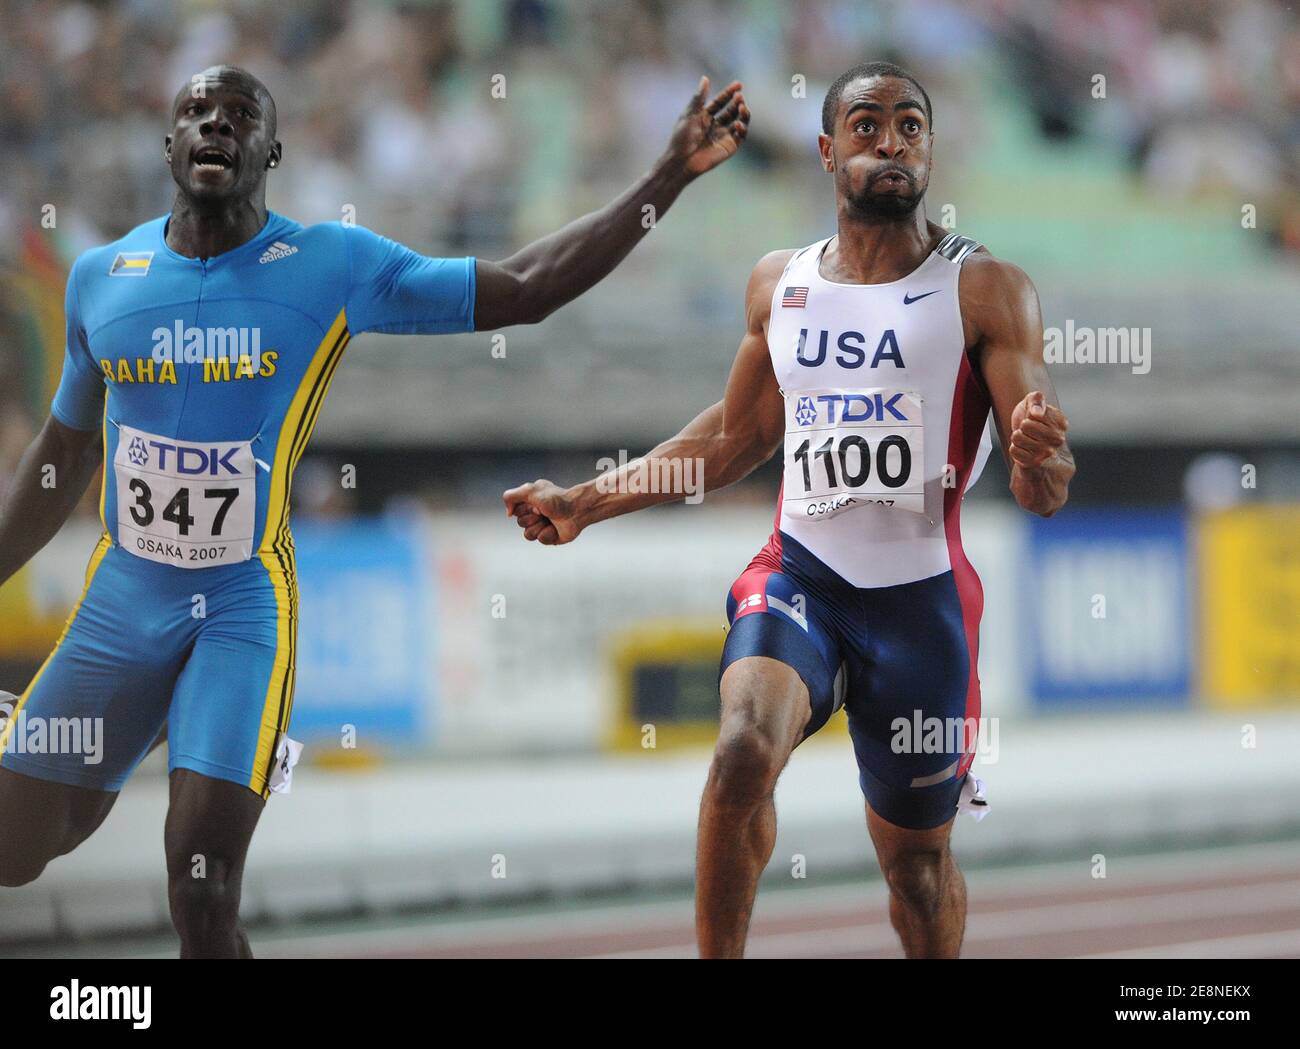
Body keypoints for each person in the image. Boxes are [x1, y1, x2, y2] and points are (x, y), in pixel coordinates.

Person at [0, 65, 749, 958]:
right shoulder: (100, 279)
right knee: (16, 853)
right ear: (169, 145)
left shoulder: (329, 265)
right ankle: (153, 707)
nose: (215, 125)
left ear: (269, 150)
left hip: (240, 608)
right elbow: (61, 454)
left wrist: (667, 174)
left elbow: (525, 285)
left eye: (241, 115)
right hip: (124, 598)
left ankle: (199, 704)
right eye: (195, 111)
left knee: (199, 886)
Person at [503, 62, 1074, 959]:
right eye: (867, 125)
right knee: (739, 752)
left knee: (918, 875)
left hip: (921, 606)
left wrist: (1044, 459)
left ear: (930, 149)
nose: (891, 143)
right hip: (799, 575)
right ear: (826, 149)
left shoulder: (987, 290)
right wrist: (587, 500)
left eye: (911, 127)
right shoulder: (781, 283)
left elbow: (1044, 491)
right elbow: (733, 441)